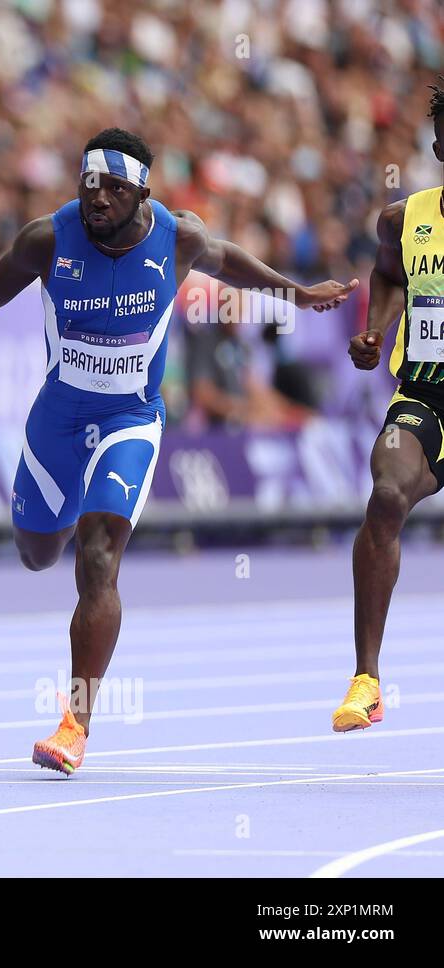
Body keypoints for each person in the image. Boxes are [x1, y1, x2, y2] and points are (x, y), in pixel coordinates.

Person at [0, 128, 355, 774]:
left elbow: (228, 260)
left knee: (100, 554)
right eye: (90, 185)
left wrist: (296, 294)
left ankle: (74, 722)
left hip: (130, 420)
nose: (98, 199)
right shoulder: (47, 240)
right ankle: (47, 547)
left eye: (114, 188)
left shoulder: (179, 237)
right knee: (37, 552)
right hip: (57, 419)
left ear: (143, 191)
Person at [334, 79, 444, 732]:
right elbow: (388, 276)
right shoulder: (405, 218)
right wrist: (376, 330)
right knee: (386, 495)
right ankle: (367, 679)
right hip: (425, 396)